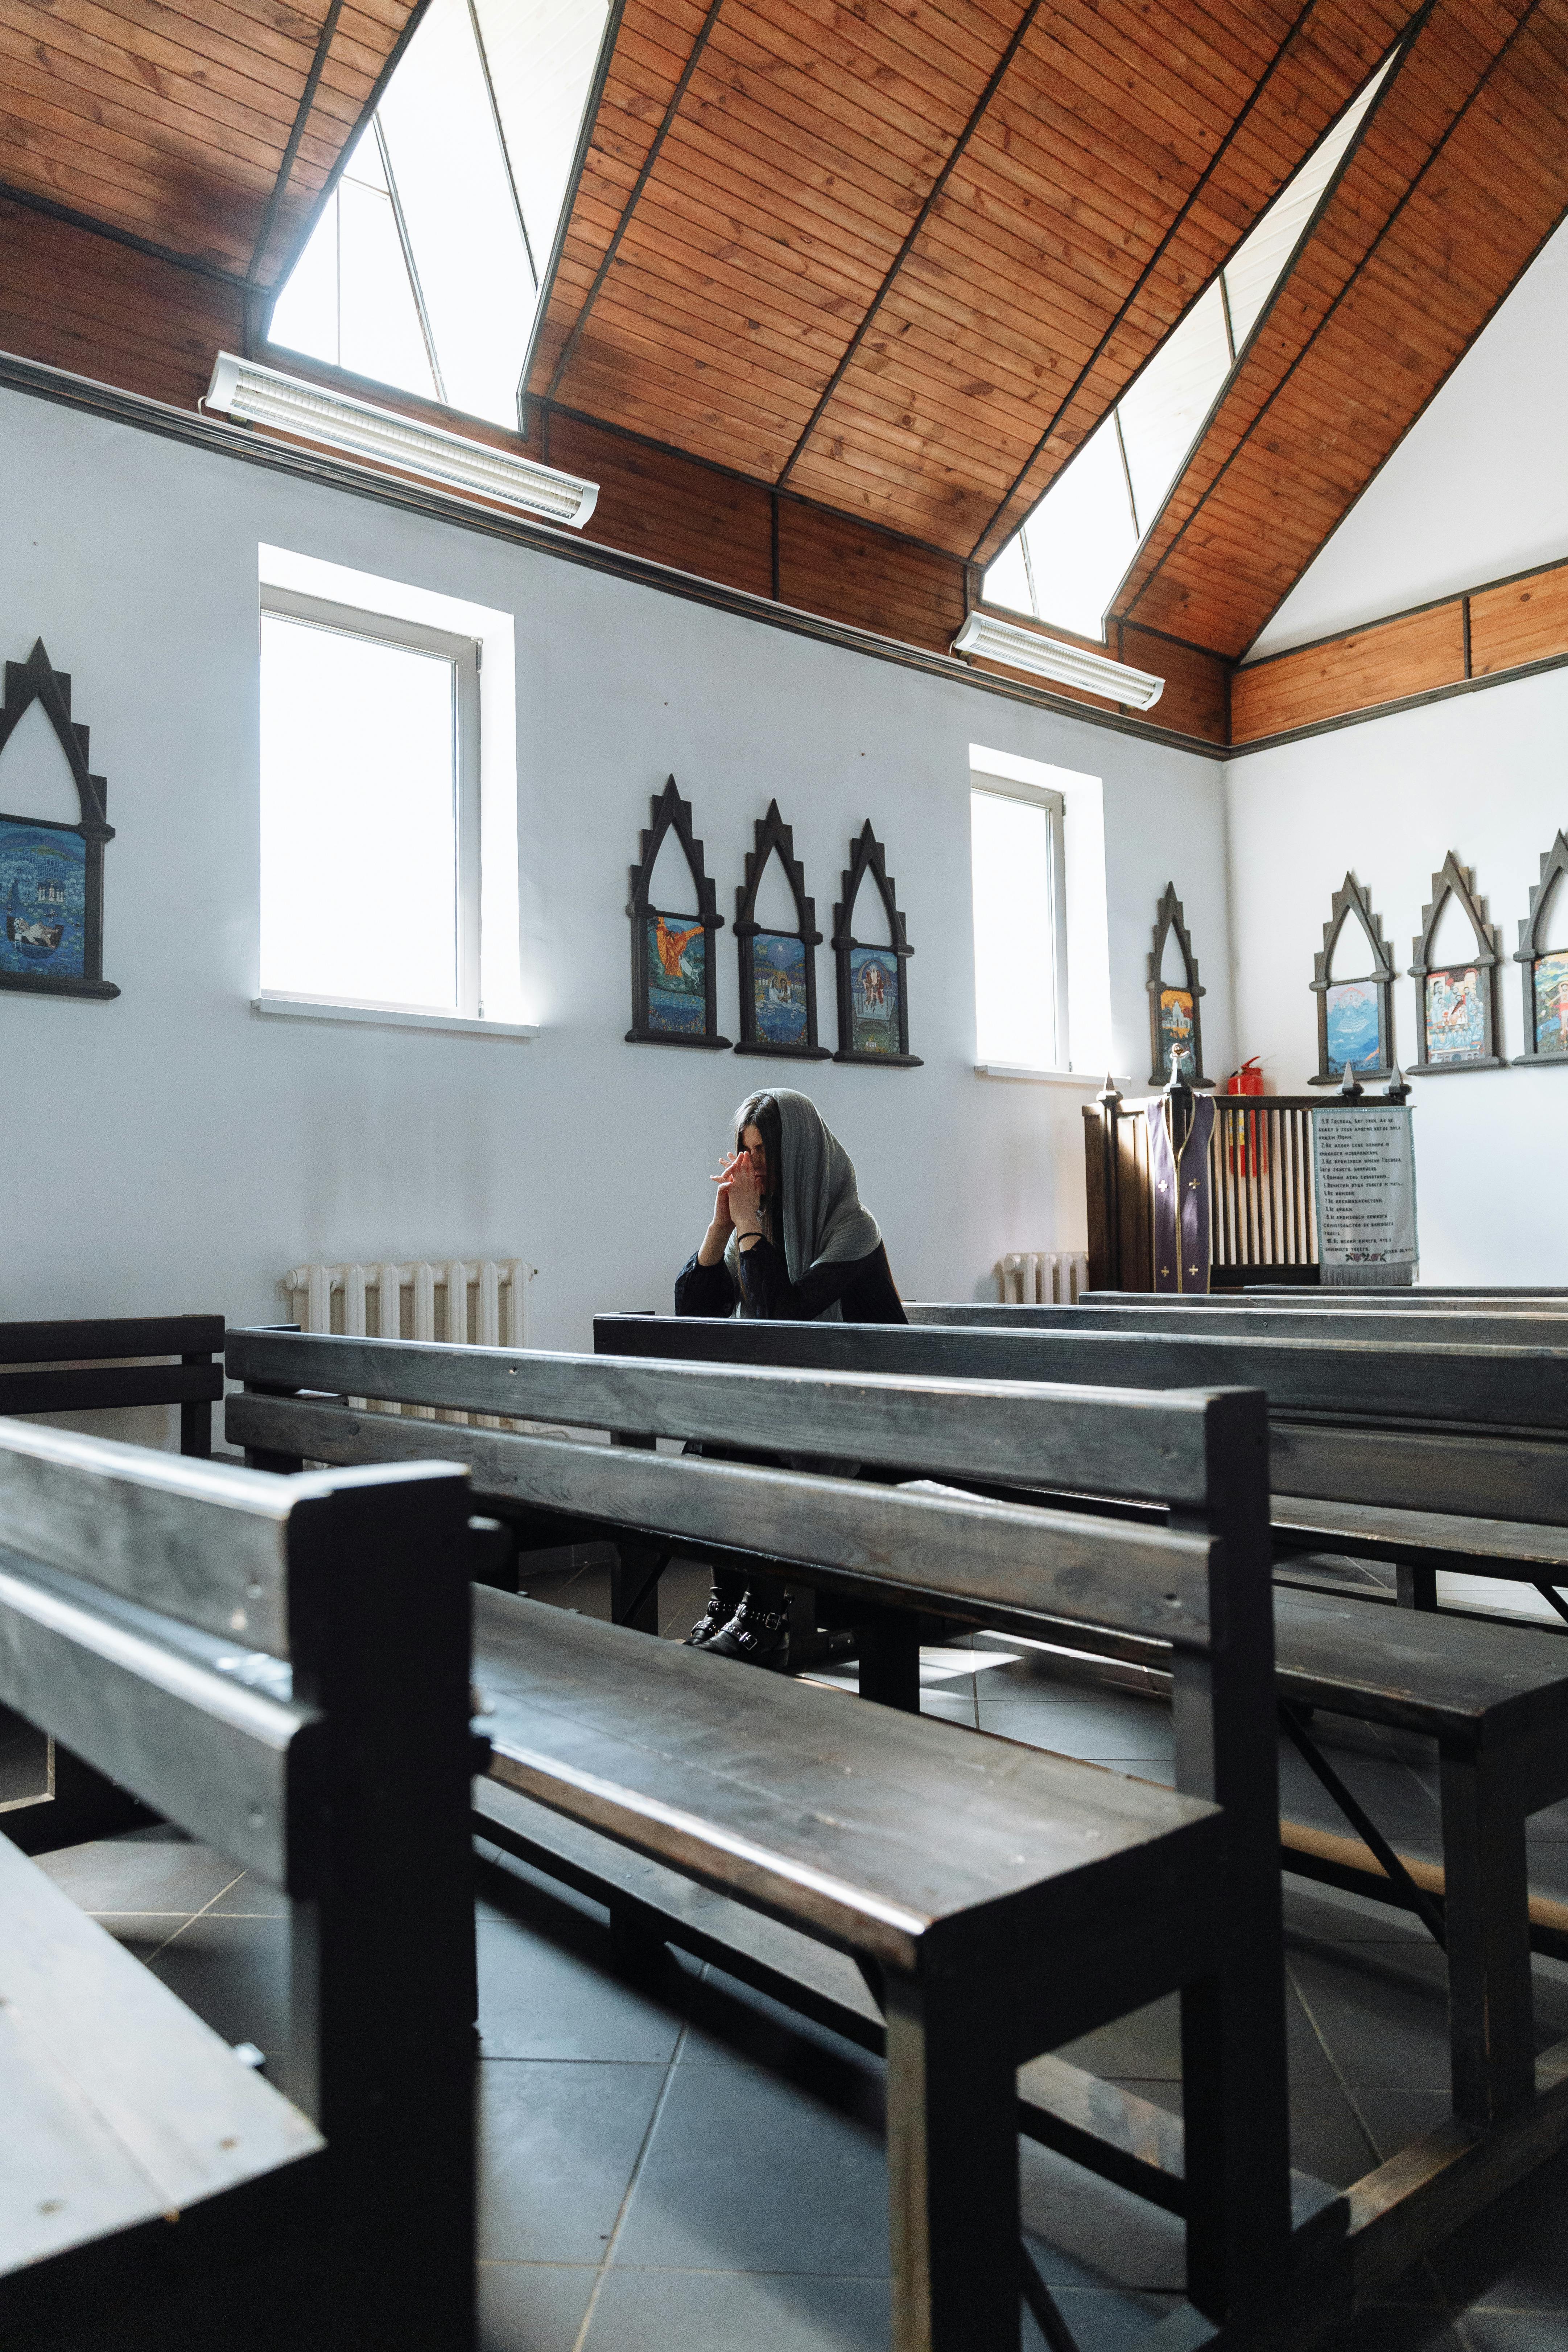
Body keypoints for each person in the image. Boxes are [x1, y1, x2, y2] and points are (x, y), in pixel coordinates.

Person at [673, 1088, 906, 1661]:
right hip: (809, 1408)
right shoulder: (764, 1227)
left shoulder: (854, 1229)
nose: (751, 1168)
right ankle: (729, 1599)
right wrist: (721, 1227)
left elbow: (780, 1323)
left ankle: (765, 1611)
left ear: (799, 1155)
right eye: (745, 1151)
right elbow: (696, 1312)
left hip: (877, 1422)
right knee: (712, 1432)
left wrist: (750, 1229)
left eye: (764, 1153)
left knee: (750, 1431)